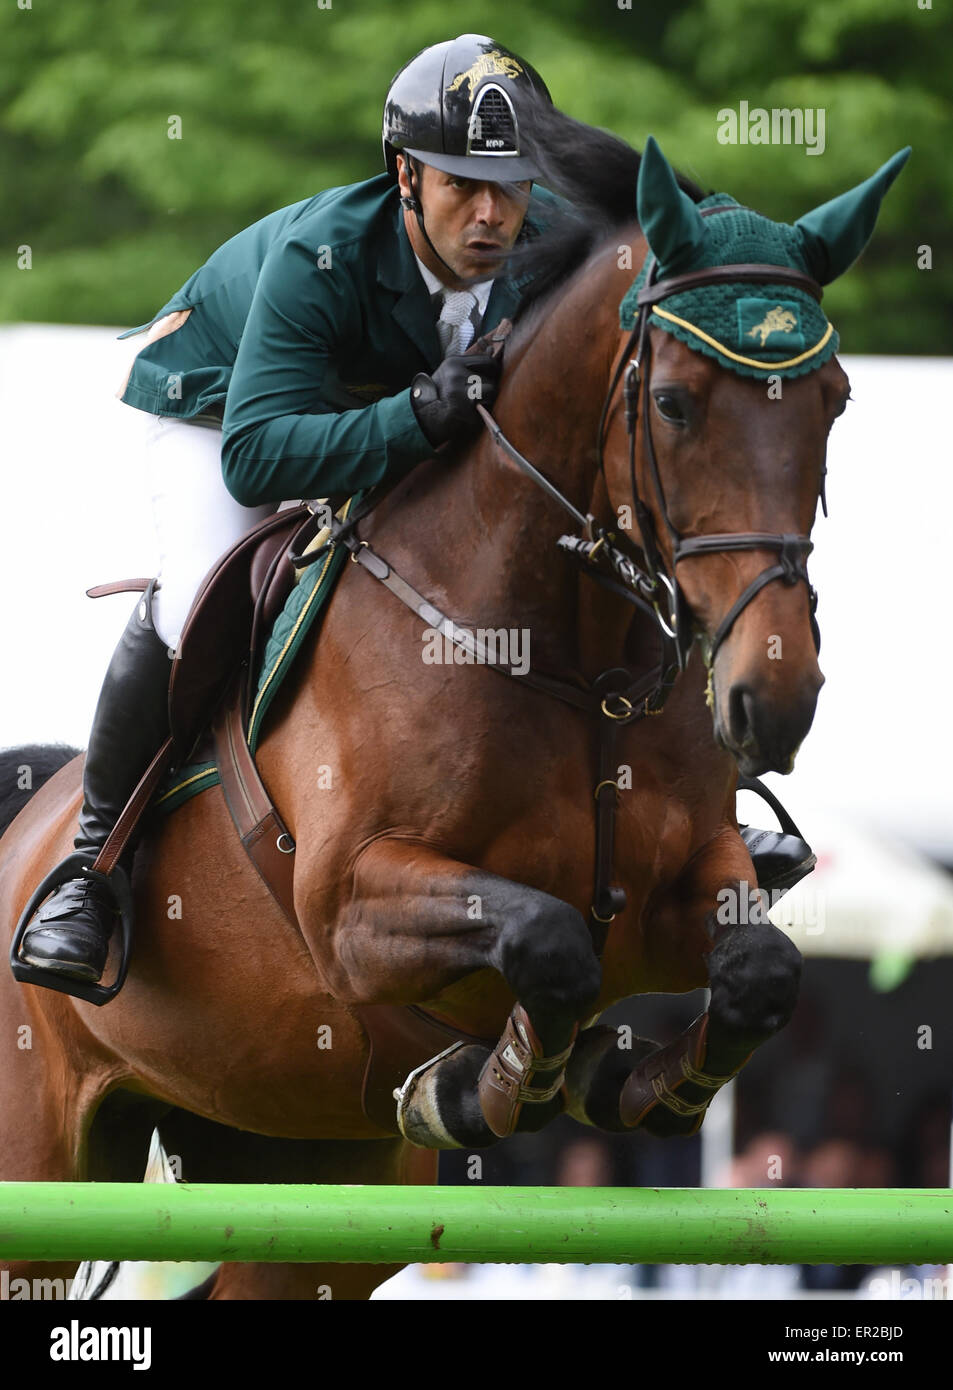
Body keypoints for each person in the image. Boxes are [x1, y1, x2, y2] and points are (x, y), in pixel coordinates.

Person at [18, 33, 811, 989]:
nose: (490, 216)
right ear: (404, 175)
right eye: (459, 187)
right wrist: (420, 414)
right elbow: (257, 454)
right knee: (197, 599)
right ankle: (91, 870)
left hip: (385, 402)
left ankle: (694, 808)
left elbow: (677, 263)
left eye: (510, 187)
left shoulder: (541, 237)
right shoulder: (323, 255)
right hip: (225, 406)